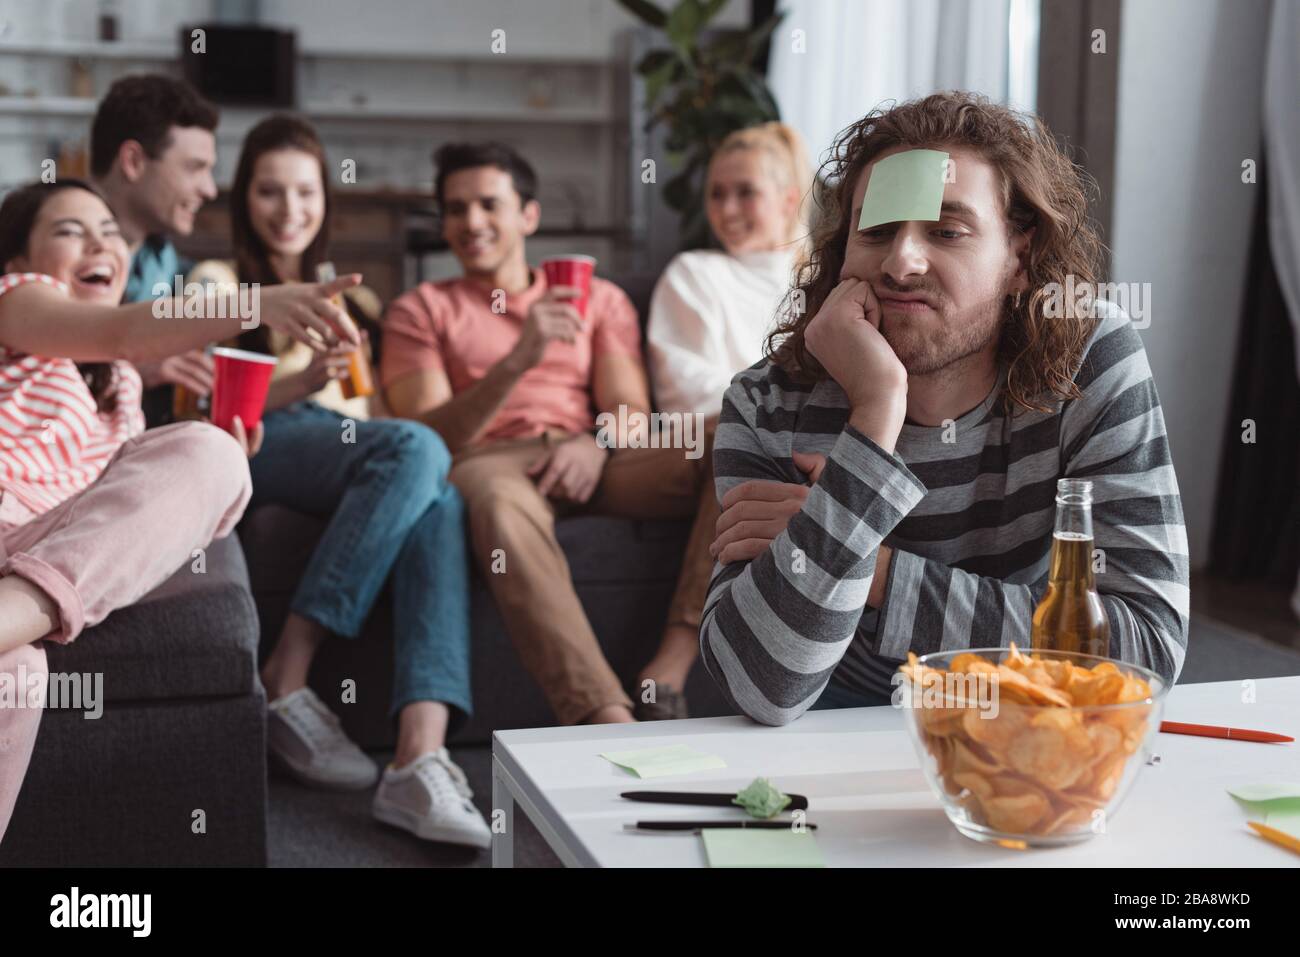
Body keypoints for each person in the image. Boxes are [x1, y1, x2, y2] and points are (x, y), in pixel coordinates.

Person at [701, 92, 1189, 725]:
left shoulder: (1087, 357)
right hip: (834, 724)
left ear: (1019, 255)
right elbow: (762, 687)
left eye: (947, 231)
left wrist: (872, 570)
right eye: (876, 231)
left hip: (1023, 718)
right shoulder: (767, 403)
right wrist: (876, 410)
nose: (902, 262)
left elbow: (1144, 650)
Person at [0, 179, 357, 840]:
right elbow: (126, 332)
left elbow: (118, 505)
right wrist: (258, 301)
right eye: (70, 229)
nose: (100, 242)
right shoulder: (16, 300)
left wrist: (220, 461)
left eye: (109, 230)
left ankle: (14, 615)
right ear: (19, 262)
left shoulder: (123, 387)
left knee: (211, 453)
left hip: (35, 553)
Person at [188, 114, 487, 848]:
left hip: (348, 453)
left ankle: (420, 753)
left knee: (436, 493)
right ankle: (287, 672)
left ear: (326, 198)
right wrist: (306, 385)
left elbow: (382, 419)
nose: (289, 209)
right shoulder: (218, 283)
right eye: (268, 192)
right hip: (258, 442)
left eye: (304, 191)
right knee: (417, 454)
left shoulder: (355, 302)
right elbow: (206, 412)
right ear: (243, 200)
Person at [383, 142, 717, 724]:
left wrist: (597, 442)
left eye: (489, 204)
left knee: (729, 435)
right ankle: (602, 716)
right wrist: (518, 358)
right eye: (456, 209)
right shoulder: (420, 310)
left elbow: (629, 409)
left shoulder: (599, 299)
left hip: (589, 451)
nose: (471, 222)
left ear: (528, 216)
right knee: (495, 502)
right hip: (487, 461)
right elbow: (430, 437)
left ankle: (672, 662)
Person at [647, 121, 811, 418]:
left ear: (788, 200)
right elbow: (686, 394)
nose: (727, 210)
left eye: (746, 192)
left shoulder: (823, 278)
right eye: (716, 194)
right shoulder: (694, 273)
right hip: (726, 445)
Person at [90, 73, 222, 424]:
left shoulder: (166, 264)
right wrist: (132, 364)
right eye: (195, 169)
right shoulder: (45, 248)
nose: (210, 190)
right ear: (133, 161)